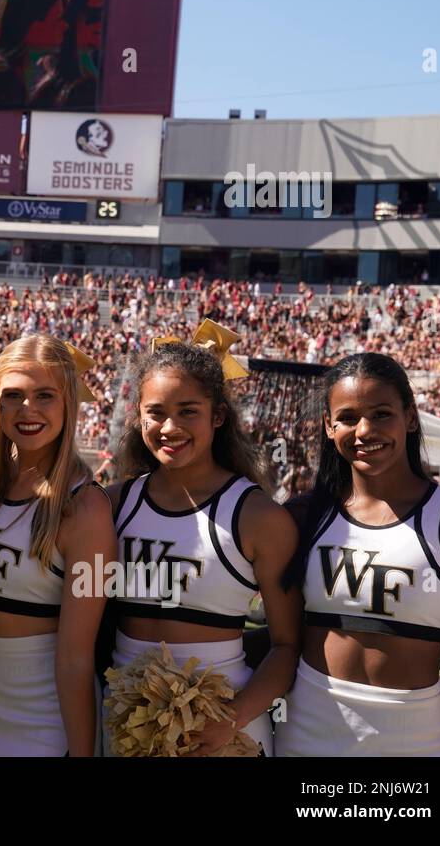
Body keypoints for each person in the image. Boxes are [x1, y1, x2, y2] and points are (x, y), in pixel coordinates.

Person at [106, 321, 301, 756]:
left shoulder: (258, 517)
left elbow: (288, 645)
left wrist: (231, 720)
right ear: (138, 415)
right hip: (124, 724)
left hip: (221, 727)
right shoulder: (112, 504)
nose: (170, 427)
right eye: (156, 412)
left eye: (188, 411)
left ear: (218, 416)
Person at [275, 353, 440, 756]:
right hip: (305, 735)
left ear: (411, 417)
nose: (364, 430)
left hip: (420, 739)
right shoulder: (298, 518)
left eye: (382, 414)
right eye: (348, 417)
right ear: (329, 427)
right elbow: (281, 639)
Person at [0, 336, 114, 756]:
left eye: (45, 396)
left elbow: (76, 658)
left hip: (44, 719)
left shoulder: (86, 508)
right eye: (13, 396)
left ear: (68, 404)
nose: (28, 410)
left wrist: (80, 752)